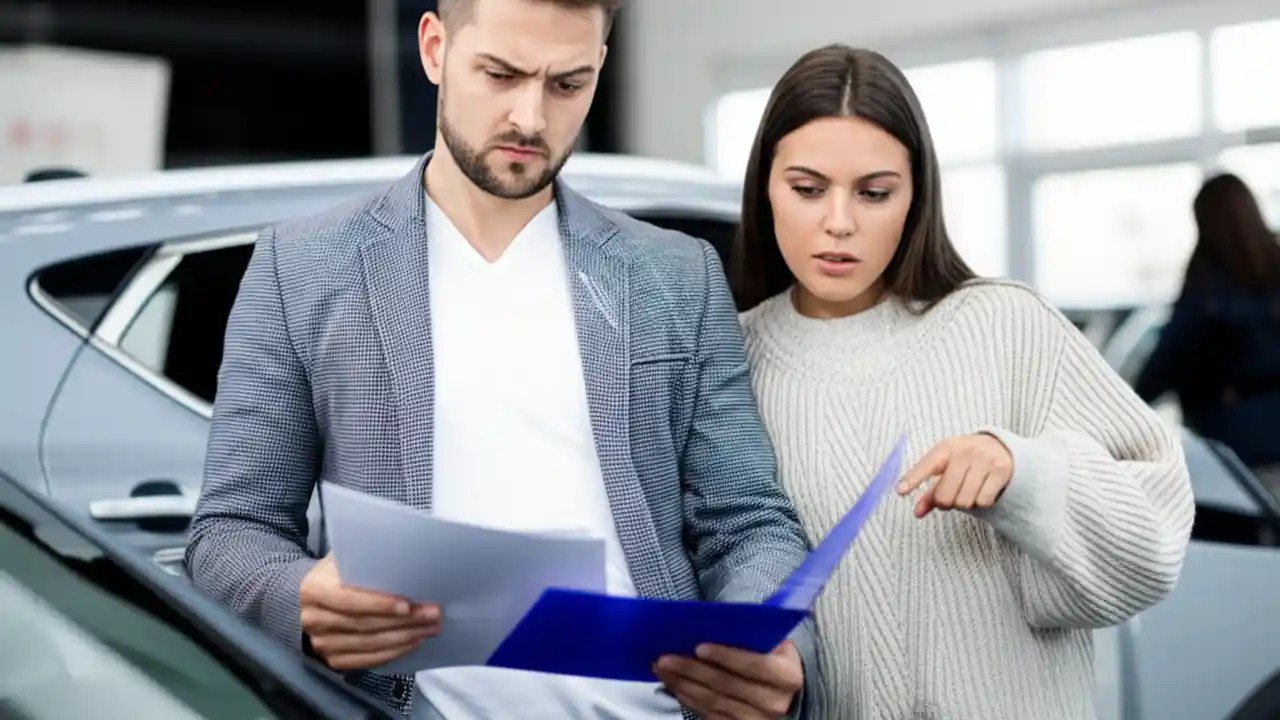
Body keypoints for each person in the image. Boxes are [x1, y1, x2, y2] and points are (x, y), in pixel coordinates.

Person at [185, 1, 818, 718]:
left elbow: (747, 520)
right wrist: (297, 598)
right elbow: (230, 532)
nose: (530, 118)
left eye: (566, 84)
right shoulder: (302, 269)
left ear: (599, 69)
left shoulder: (675, 275)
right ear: (434, 49)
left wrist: (767, 641)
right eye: (500, 74)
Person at [730, 44, 1195, 719]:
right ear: (764, 187)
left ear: (916, 195)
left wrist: (1023, 472)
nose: (839, 221)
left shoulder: (1008, 326)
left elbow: (1155, 540)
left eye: (874, 192)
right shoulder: (729, 360)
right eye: (807, 189)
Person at [1137, 172, 1280, 498]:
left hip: (1237, 452)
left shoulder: (1208, 288)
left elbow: (1166, 362)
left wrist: (1127, 407)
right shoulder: (1274, 269)